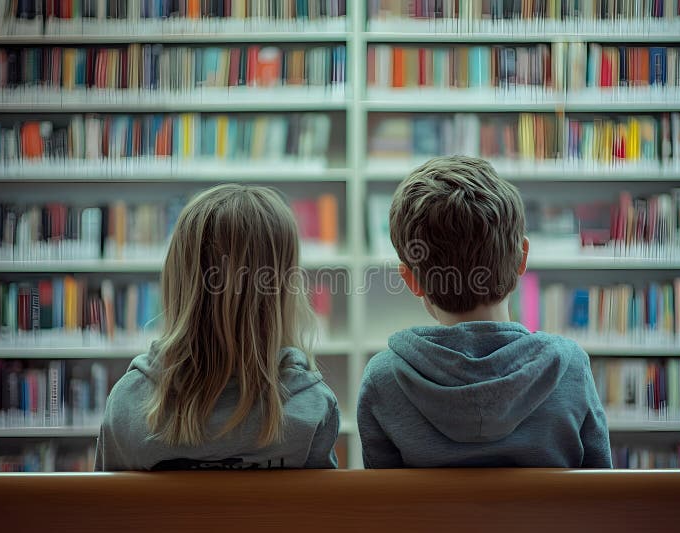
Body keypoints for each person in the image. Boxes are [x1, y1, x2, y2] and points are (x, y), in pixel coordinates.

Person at [357, 156, 612, 468]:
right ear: (522, 258)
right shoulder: (570, 369)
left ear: (411, 280)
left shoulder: (383, 381)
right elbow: (602, 499)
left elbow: (383, 510)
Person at [95, 184, 339, 470]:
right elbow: (322, 513)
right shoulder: (311, 406)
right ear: (283, 293)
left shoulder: (130, 403)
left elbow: (104, 510)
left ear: (178, 282)